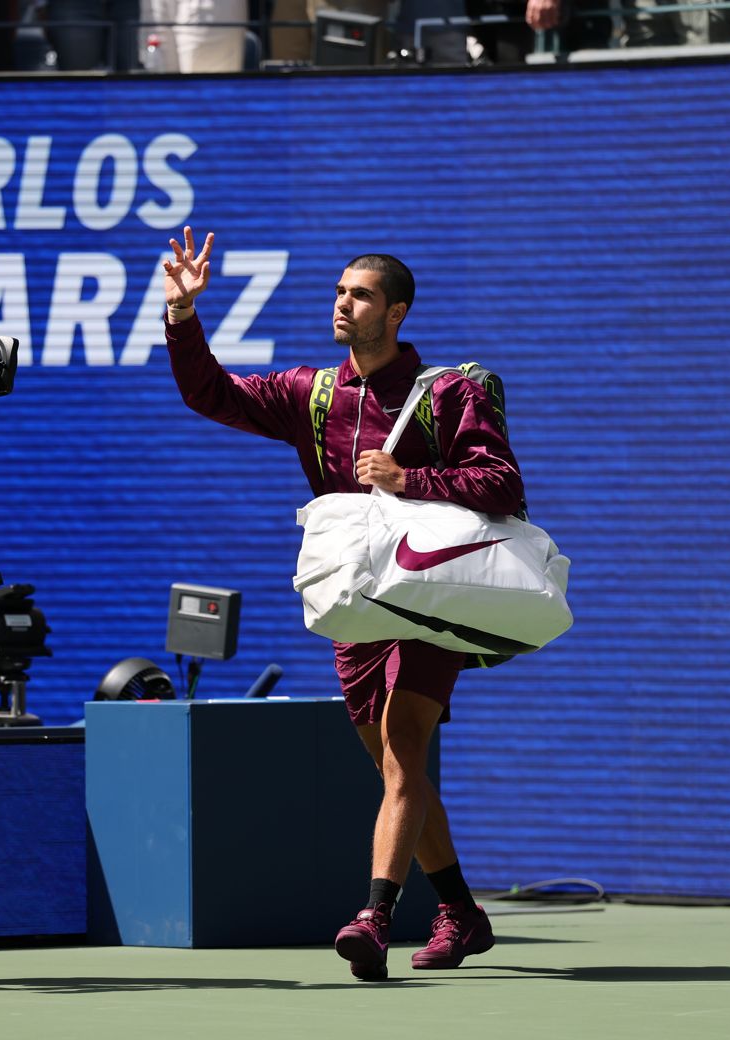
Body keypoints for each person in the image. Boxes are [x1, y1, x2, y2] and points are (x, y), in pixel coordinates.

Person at [160, 228, 521, 980]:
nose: (343, 304)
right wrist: (183, 317)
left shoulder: (447, 393)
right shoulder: (311, 392)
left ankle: (375, 915)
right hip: (357, 600)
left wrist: (406, 478)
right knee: (393, 764)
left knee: (406, 744)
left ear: (397, 313)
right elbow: (210, 394)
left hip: (428, 595)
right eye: (339, 292)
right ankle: (462, 911)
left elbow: (502, 486)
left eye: (360, 295)